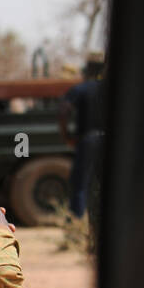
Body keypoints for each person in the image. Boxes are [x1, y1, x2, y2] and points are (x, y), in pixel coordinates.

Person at [57, 55, 106, 222]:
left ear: (87, 72)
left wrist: (67, 136)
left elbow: (64, 110)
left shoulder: (82, 89)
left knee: (80, 183)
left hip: (89, 140)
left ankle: (76, 223)